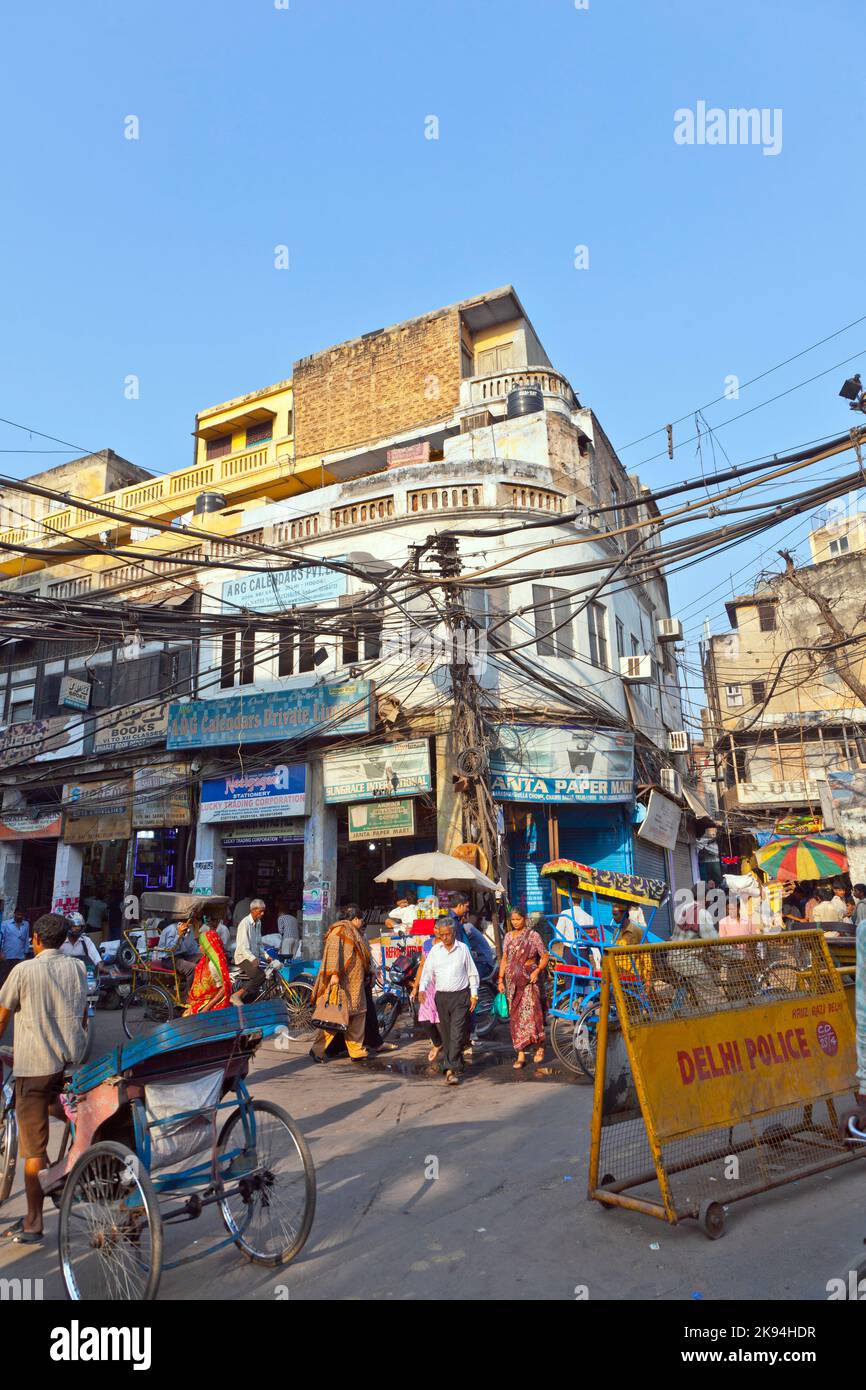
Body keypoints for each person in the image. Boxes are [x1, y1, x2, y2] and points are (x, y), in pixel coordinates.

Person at [0, 913, 87, 1244]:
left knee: (33, 1149)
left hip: (34, 1068)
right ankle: (60, 1171)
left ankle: (34, 1221)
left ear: (35, 938)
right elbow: (81, 1015)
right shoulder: (77, 967)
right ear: (64, 939)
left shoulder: (24, 970)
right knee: (57, 1106)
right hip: (66, 1064)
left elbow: (3, 1014)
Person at [418, 919, 479, 1085]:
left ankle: (450, 1070)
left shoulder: (463, 949)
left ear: (454, 933)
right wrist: (422, 988)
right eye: (442, 934)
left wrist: (474, 994)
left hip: (461, 996)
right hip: (442, 997)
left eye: (448, 934)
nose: (445, 937)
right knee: (446, 1034)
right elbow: (427, 972)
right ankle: (456, 1062)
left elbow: (472, 973)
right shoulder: (435, 951)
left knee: (457, 1032)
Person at [310, 906, 372, 1062]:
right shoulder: (340, 931)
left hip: (355, 982)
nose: (362, 922)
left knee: (357, 1015)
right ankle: (317, 1050)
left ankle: (356, 1051)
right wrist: (334, 975)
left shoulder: (353, 931)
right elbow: (332, 953)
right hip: (342, 982)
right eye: (361, 919)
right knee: (335, 1018)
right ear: (356, 919)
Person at [498, 907, 548, 1068]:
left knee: (533, 1014)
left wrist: (537, 971)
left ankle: (539, 1046)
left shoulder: (533, 936)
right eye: (512, 920)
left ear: (524, 919)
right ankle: (520, 1054)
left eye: (518, 919)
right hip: (512, 983)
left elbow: (544, 956)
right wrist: (500, 980)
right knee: (516, 1018)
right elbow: (505, 959)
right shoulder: (507, 937)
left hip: (529, 982)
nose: (515, 922)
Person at [669, 884, 720, 1006]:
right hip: (687, 960)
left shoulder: (684, 909)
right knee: (714, 997)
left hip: (675, 957)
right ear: (705, 897)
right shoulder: (701, 913)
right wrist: (740, 955)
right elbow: (716, 944)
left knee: (709, 979)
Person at [183, 907, 232, 1015]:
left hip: (209, 1002)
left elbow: (224, 988)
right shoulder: (205, 960)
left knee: (186, 1016)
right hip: (202, 999)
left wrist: (207, 1007)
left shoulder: (213, 965)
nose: (199, 947)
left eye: (202, 945)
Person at [231, 899, 267, 1004]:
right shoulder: (245, 923)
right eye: (260, 911)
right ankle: (236, 995)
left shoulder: (258, 923)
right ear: (253, 910)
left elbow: (259, 943)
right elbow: (243, 947)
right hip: (243, 958)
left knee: (264, 977)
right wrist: (253, 958)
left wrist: (266, 956)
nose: (262, 913)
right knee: (260, 975)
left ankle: (248, 1000)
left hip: (253, 956)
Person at [0, 906, 30, 987]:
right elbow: (1, 938)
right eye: (18, 914)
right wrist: (1, 952)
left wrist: (26, 953)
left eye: (21, 915)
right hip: (7, 954)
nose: (19, 916)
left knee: (17, 976)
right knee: (4, 975)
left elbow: (26, 939)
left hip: (20, 955)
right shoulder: (5, 924)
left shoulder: (26, 924)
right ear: (14, 914)